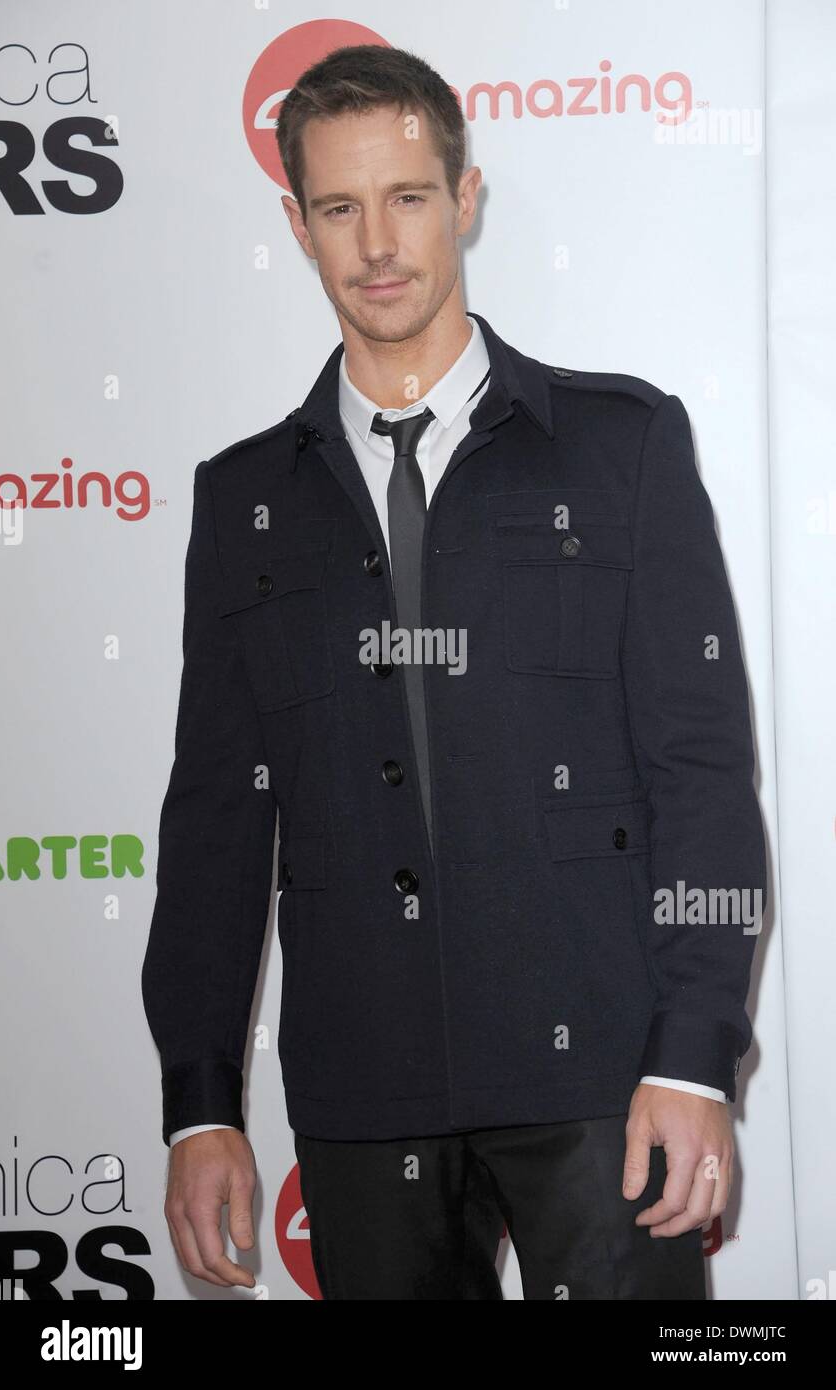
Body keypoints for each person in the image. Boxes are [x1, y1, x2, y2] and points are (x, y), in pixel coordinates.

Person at [141, 44, 767, 1299]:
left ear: (463, 199)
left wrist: (693, 1054)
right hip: (363, 1096)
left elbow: (698, 770)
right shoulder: (244, 501)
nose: (377, 244)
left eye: (408, 197)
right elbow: (217, 821)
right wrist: (199, 1102)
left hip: (604, 1078)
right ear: (296, 226)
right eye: (339, 207)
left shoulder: (620, 446)